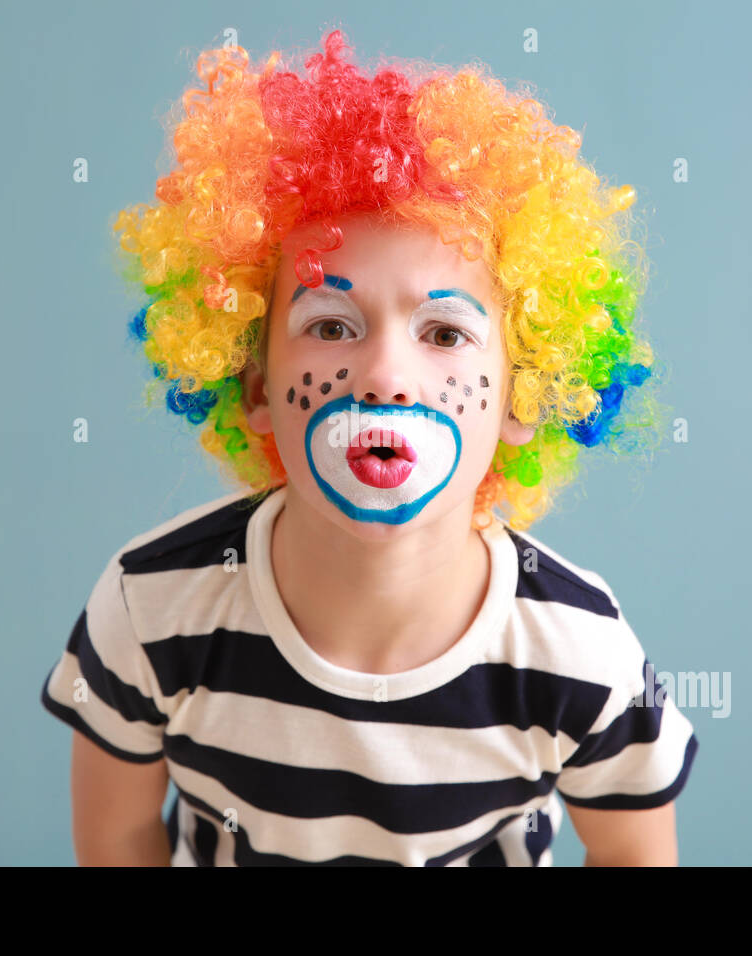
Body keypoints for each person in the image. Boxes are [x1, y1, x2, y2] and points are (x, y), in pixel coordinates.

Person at [41, 28, 698, 866]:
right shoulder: (153, 606)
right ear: (252, 386)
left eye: (445, 333)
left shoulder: (579, 648)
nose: (386, 374)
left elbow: (637, 857)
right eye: (330, 325)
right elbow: (118, 839)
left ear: (525, 393)